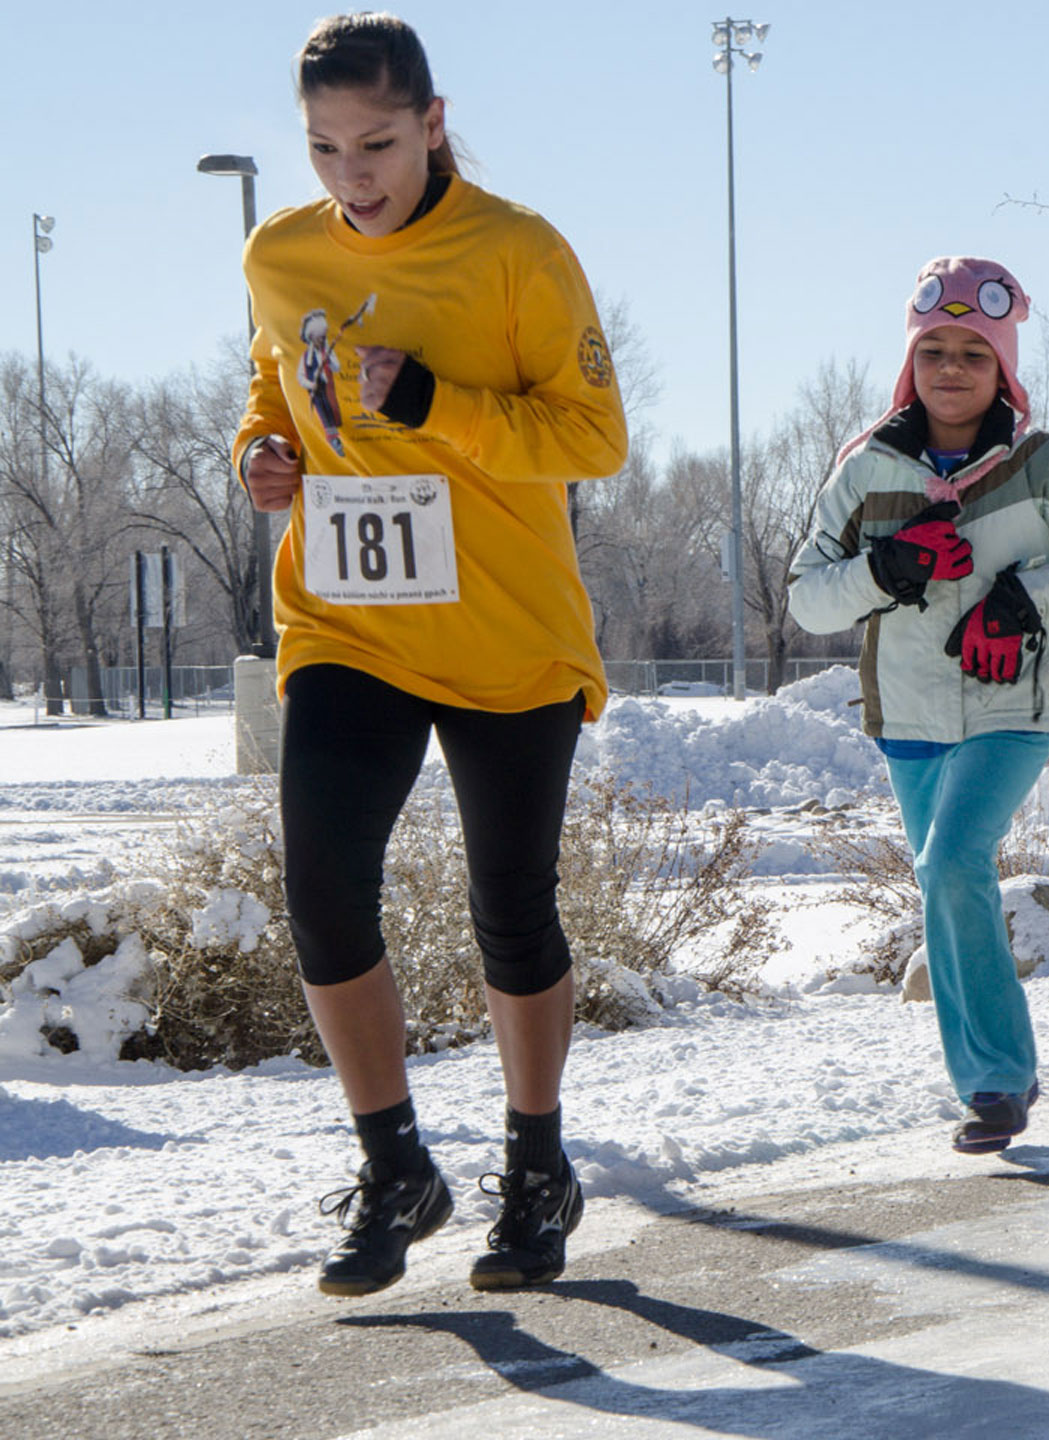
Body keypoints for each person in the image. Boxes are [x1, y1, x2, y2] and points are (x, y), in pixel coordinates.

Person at [231, 12, 627, 1295]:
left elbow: (594, 438)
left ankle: (536, 1164)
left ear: (434, 122)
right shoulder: (277, 254)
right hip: (346, 624)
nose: (353, 177)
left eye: (379, 144)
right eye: (326, 149)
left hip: (506, 627)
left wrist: (431, 407)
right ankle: (394, 1162)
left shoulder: (517, 251)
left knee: (509, 907)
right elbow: (269, 380)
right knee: (324, 885)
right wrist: (260, 454)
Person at [788, 256, 1049, 1154]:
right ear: (910, 362)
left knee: (953, 859)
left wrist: (1032, 592)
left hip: (1015, 705)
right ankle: (997, 1078)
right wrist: (887, 568)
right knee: (940, 880)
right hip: (907, 712)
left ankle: (994, 1081)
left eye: (973, 354)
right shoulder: (864, 470)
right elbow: (806, 595)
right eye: (934, 352)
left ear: (1004, 368)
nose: (951, 370)